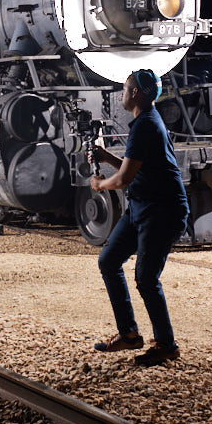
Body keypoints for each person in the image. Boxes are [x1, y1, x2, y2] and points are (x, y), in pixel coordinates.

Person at [89, 69, 190, 366]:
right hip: (142, 207)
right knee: (108, 261)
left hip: (162, 211)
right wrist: (107, 158)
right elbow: (135, 169)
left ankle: (167, 345)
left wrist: (99, 184)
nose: (121, 93)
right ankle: (130, 335)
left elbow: (122, 180)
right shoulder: (146, 122)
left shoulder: (146, 125)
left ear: (135, 93)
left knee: (146, 280)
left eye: (124, 88)